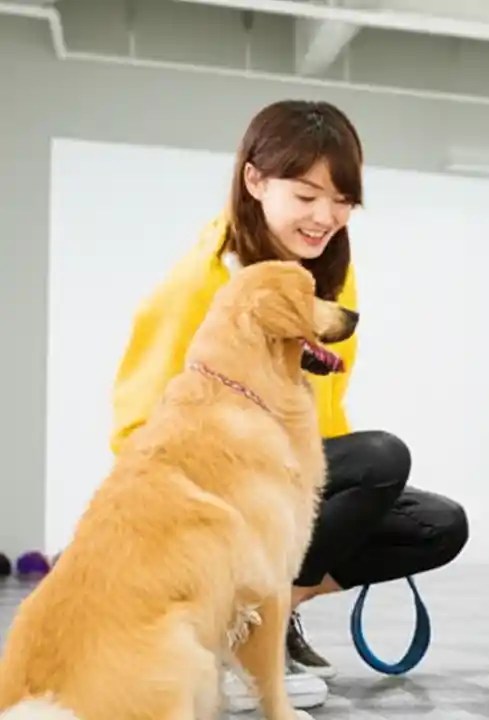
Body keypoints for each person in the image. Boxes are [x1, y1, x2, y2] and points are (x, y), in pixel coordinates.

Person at [110, 99, 470, 711]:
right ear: (255, 180)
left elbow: (326, 404)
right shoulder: (200, 283)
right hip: (210, 500)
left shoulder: (326, 272)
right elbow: (135, 427)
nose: (326, 216)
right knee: (383, 457)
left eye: (341, 200)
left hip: (281, 480)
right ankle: (223, 624)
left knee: (437, 524)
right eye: (306, 197)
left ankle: (268, 617)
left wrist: (355, 494)